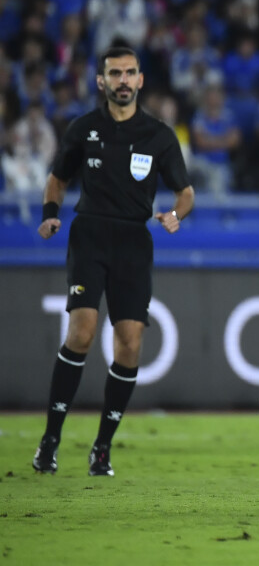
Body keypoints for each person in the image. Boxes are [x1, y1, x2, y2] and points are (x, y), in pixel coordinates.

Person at [33, 45, 195, 477]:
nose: (122, 80)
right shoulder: (83, 128)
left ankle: (101, 448)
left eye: (129, 73)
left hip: (133, 242)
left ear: (141, 80)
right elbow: (57, 177)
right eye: (114, 73)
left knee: (130, 344)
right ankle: (50, 440)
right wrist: (51, 215)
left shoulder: (159, 135)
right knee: (82, 333)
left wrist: (175, 216)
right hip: (89, 235)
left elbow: (186, 192)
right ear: (101, 81)